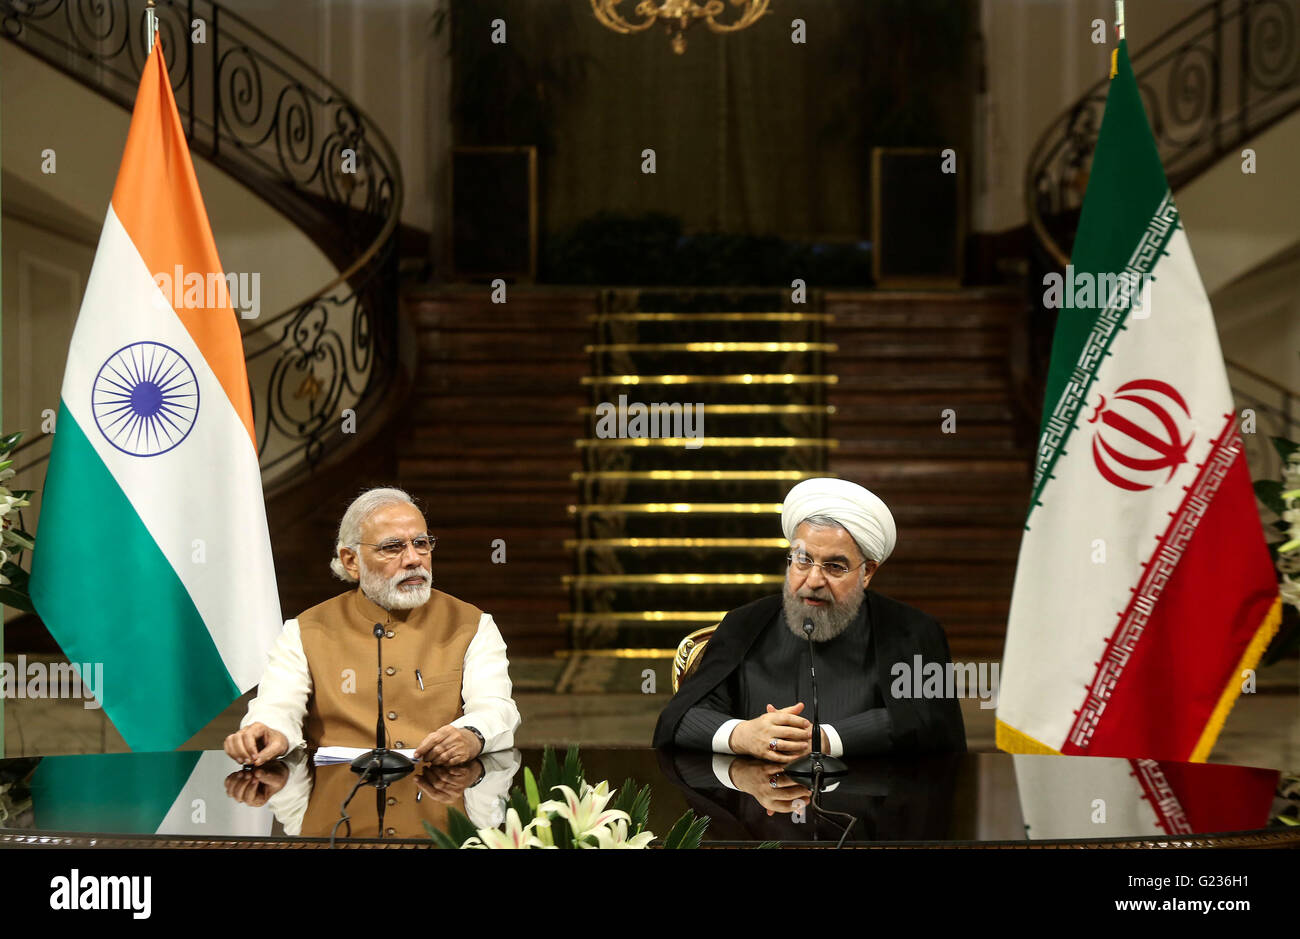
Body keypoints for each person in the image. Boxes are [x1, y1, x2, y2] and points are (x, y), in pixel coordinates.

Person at [653, 477, 965, 759]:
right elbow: (680, 718)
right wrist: (741, 734)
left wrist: (825, 739)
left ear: (867, 572)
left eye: (834, 566)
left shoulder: (912, 631)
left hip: (867, 813)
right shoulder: (744, 624)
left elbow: (929, 722)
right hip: (756, 809)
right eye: (803, 560)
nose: (814, 579)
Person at [224, 487, 521, 767]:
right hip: (337, 806)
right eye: (393, 547)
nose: (414, 559)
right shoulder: (304, 631)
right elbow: (278, 705)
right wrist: (270, 731)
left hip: (439, 798)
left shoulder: (471, 625)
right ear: (351, 561)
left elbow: (496, 707)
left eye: (421, 543)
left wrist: (473, 735)